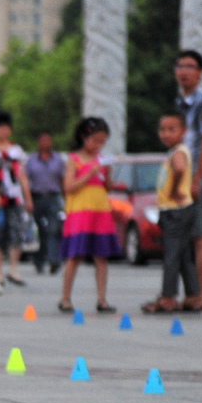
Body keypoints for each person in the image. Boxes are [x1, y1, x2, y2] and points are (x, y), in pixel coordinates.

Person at [59, 117, 119, 314]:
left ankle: (102, 299)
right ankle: (65, 298)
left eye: (102, 141)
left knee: (101, 257)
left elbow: (108, 188)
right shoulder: (74, 159)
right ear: (84, 137)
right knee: (74, 256)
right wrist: (89, 173)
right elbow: (68, 187)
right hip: (79, 213)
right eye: (95, 140)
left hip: (100, 211)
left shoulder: (101, 160)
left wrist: (107, 174)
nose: (98, 145)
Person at [173, 50, 202, 311]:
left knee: (200, 236)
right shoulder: (179, 103)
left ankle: (198, 294)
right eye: (179, 66)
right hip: (178, 183)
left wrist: (197, 179)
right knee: (183, 239)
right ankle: (187, 292)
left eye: (190, 66)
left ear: (200, 72)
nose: (183, 71)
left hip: (197, 181)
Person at [142, 112, 199, 314]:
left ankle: (168, 298)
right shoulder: (178, 150)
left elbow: (180, 169)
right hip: (182, 209)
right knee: (183, 254)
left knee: (171, 254)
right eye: (163, 129)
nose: (165, 134)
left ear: (183, 132)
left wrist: (174, 190)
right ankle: (194, 297)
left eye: (171, 130)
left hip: (175, 210)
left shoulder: (177, 153)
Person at [0, 112, 32, 287]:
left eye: (7, 128)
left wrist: (27, 198)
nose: (4, 131)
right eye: (1, 128)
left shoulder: (16, 150)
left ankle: (13, 269)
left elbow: (22, 176)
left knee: (16, 232)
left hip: (15, 197)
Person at [24, 131, 65, 275]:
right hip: (37, 197)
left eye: (48, 140)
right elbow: (24, 180)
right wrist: (27, 200)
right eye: (43, 140)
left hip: (53, 197)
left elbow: (63, 180)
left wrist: (66, 200)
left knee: (54, 228)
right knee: (40, 231)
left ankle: (54, 260)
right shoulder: (31, 160)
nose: (45, 143)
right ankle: (39, 260)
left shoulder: (58, 160)